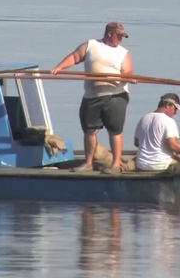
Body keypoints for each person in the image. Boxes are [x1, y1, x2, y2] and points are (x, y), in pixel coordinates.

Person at [50, 22, 134, 174]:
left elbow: (128, 71)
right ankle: (88, 162)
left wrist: (128, 77)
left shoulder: (123, 53)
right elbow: (75, 57)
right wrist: (60, 67)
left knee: (115, 130)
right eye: (119, 36)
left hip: (116, 95)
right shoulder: (91, 45)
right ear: (110, 33)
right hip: (92, 96)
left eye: (123, 37)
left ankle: (116, 165)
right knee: (90, 130)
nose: (121, 39)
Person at [133, 93, 180, 172]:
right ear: (168, 105)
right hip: (161, 166)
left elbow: (137, 143)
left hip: (141, 166)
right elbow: (173, 145)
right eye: (175, 109)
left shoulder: (144, 118)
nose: (175, 113)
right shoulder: (168, 121)